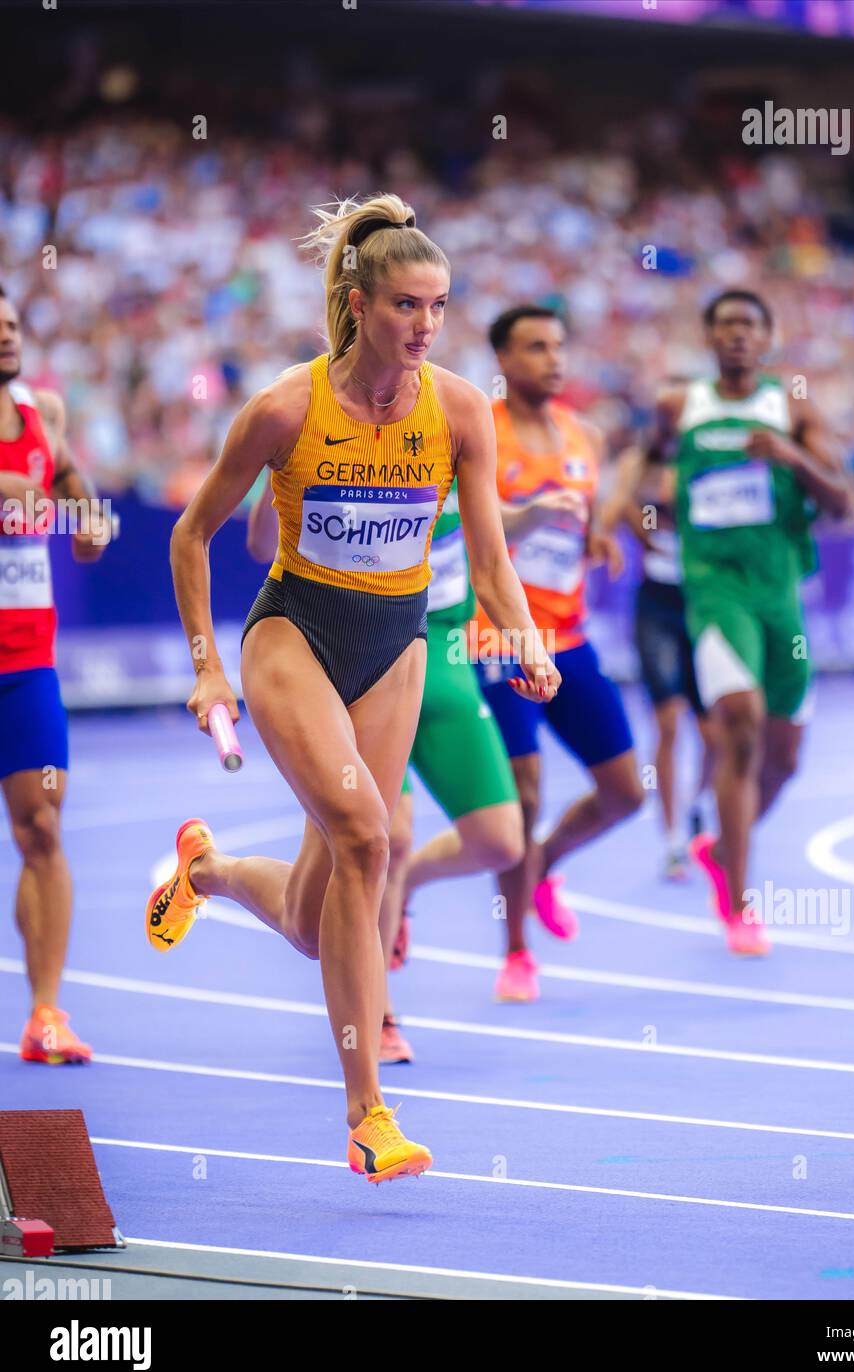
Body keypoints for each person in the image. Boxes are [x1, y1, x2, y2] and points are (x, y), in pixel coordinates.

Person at [146, 195, 558, 1184]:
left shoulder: (458, 410)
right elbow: (190, 533)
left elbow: (494, 562)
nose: (426, 326)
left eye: (442, 307)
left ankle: (202, 871)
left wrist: (526, 638)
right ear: (358, 302)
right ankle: (369, 1111)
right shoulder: (288, 406)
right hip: (296, 635)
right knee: (372, 837)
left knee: (306, 915)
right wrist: (207, 662)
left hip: (396, 645)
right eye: (408, 305)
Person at [248, 468, 523, 1065]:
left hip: (443, 651)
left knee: (502, 842)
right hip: (361, 659)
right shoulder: (326, 436)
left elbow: (491, 539)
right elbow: (256, 545)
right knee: (384, 841)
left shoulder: (444, 430)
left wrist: (525, 634)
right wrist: (281, 475)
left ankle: (217, 870)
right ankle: (379, 1019)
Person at [648, 289, 851, 954]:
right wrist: (641, 503)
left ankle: (721, 847)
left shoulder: (791, 407)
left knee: (785, 756)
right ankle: (739, 904)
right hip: (713, 590)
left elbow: (843, 500)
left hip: (779, 594)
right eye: (726, 324)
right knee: (740, 720)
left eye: (749, 325)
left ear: (766, 338)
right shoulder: (680, 406)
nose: (737, 334)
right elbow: (646, 462)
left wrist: (792, 458)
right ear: (709, 338)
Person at [474, 305, 644, 1003]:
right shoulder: (479, 427)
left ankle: (541, 864)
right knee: (525, 794)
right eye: (535, 347)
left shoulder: (586, 436)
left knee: (626, 792)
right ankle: (516, 952)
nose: (554, 359)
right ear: (504, 360)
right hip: (497, 639)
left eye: (559, 346)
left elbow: (576, 518)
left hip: (569, 639)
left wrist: (596, 538)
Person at [0, 285, 113, 1064]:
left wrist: (88, 519)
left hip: (25, 661)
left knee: (42, 825)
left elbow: (68, 481)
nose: (8, 334)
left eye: (11, 321)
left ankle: (45, 1015)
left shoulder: (44, 410)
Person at [603, 431, 714, 879]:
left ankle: (699, 805)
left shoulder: (704, 453)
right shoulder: (639, 460)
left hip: (705, 603)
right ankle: (671, 841)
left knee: (716, 733)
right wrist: (632, 500)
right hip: (657, 606)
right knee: (667, 721)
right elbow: (610, 513)